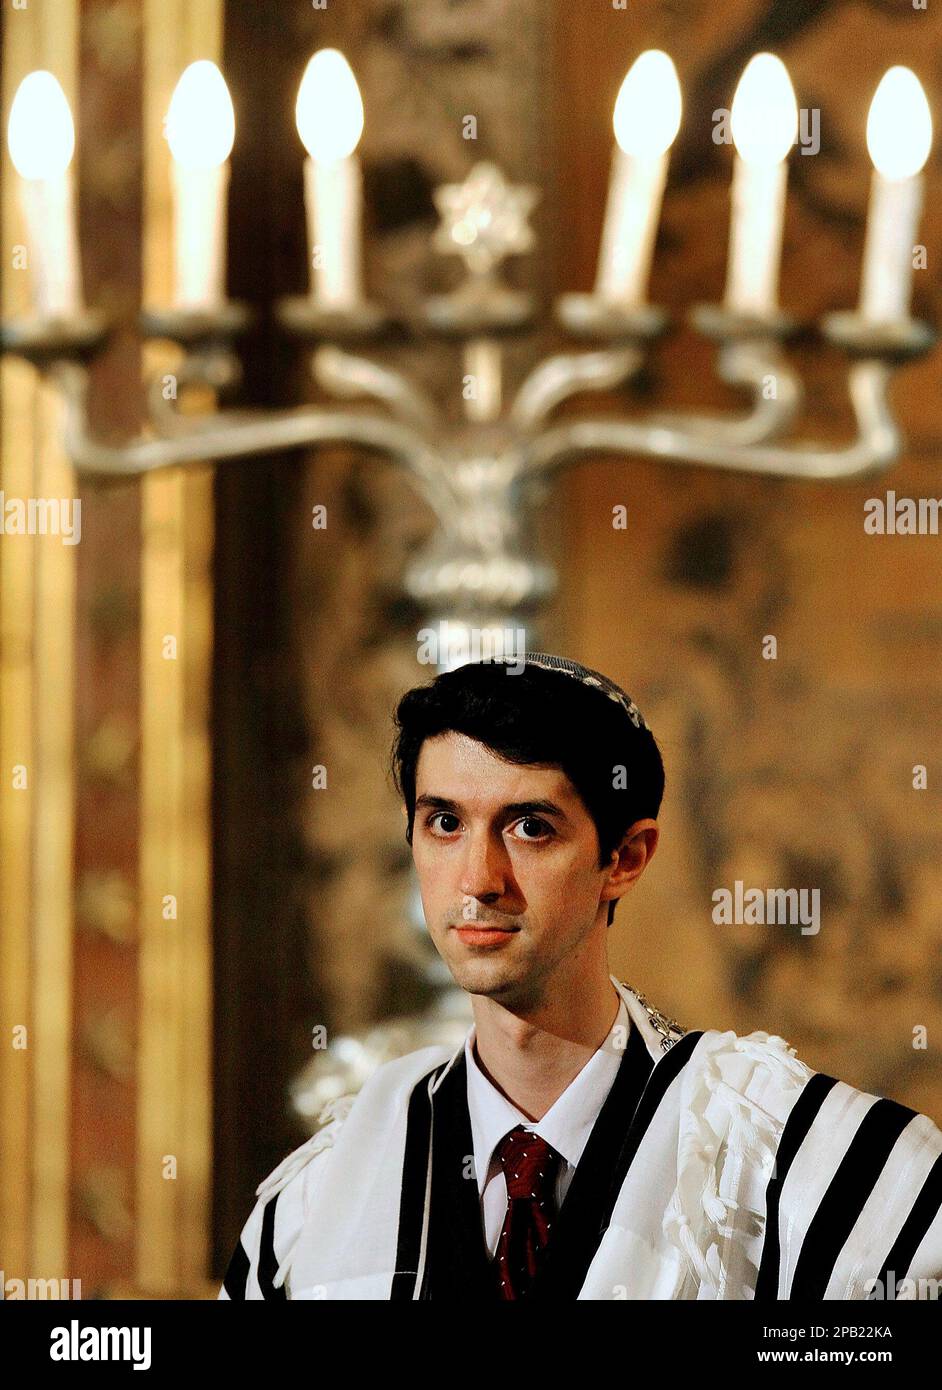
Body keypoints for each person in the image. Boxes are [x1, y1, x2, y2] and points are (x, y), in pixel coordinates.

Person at [218, 653, 942, 1300]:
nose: (478, 879)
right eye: (444, 823)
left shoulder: (799, 1160)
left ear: (625, 858)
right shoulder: (324, 1192)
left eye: (529, 827)